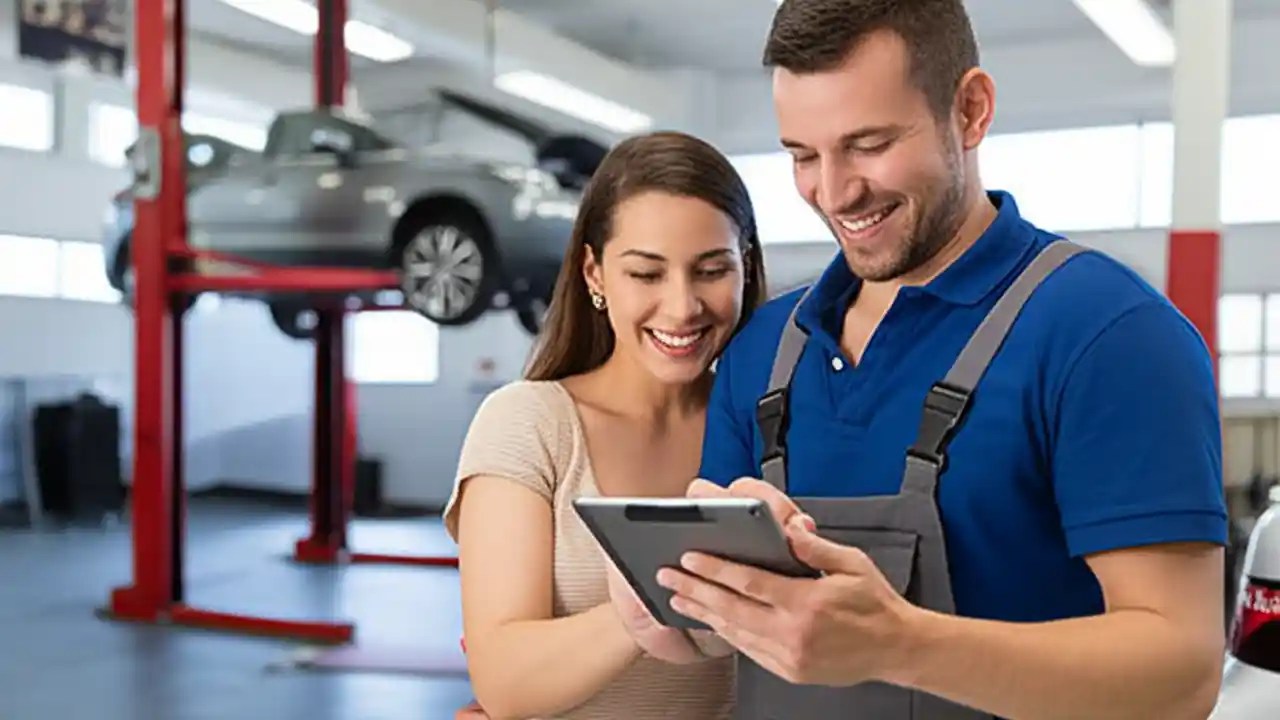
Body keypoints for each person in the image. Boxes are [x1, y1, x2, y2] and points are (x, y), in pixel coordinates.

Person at [655, 1, 1230, 719]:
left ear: (971, 110)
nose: (833, 192)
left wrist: (900, 645)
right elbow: (711, 632)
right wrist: (653, 602)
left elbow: (1181, 676)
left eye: (867, 143)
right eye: (803, 154)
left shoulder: (1109, 335)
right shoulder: (762, 353)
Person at [443, 130, 769, 720]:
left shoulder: (772, 424)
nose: (682, 306)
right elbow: (505, 682)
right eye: (646, 274)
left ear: (744, 266)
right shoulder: (530, 425)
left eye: (711, 270)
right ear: (594, 273)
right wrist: (642, 605)